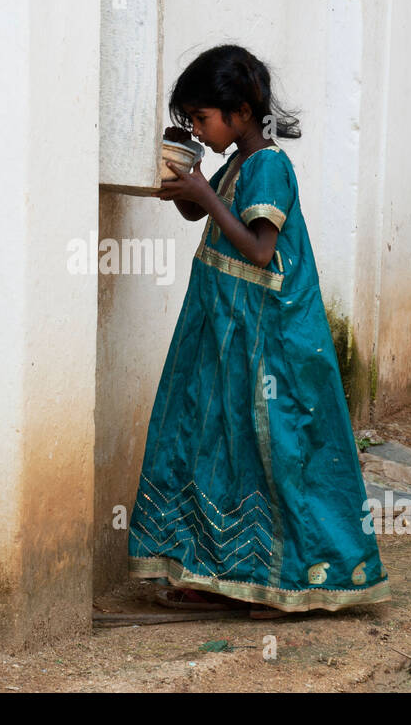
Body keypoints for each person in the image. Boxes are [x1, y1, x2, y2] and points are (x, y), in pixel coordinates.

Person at [127, 44, 390, 620]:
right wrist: (184, 183)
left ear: (241, 111)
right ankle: (219, 571)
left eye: (202, 118)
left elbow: (259, 248)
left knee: (275, 451)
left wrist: (201, 192)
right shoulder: (239, 164)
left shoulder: (269, 164)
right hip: (227, 332)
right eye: (191, 120)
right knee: (219, 443)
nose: (198, 128)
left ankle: (289, 581)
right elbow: (203, 214)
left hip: (270, 339)